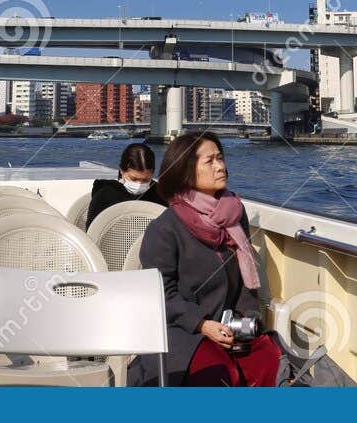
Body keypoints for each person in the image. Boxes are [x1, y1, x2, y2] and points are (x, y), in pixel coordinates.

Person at [130, 131, 281, 386]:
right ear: (186, 171)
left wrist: (246, 321)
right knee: (217, 371)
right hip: (182, 331)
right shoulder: (165, 229)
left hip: (228, 326)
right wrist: (202, 324)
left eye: (220, 158)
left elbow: (247, 279)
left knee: (269, 357)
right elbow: (160, 294)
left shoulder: (234, 213)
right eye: (210, 161)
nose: (220, 166)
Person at [85, 142, 162, 227]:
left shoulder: (160, 194)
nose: (139, 184)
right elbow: (93, 230)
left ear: (152, 174)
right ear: (122, 171)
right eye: (134, 179)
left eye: (145, 179)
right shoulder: (104, 195)